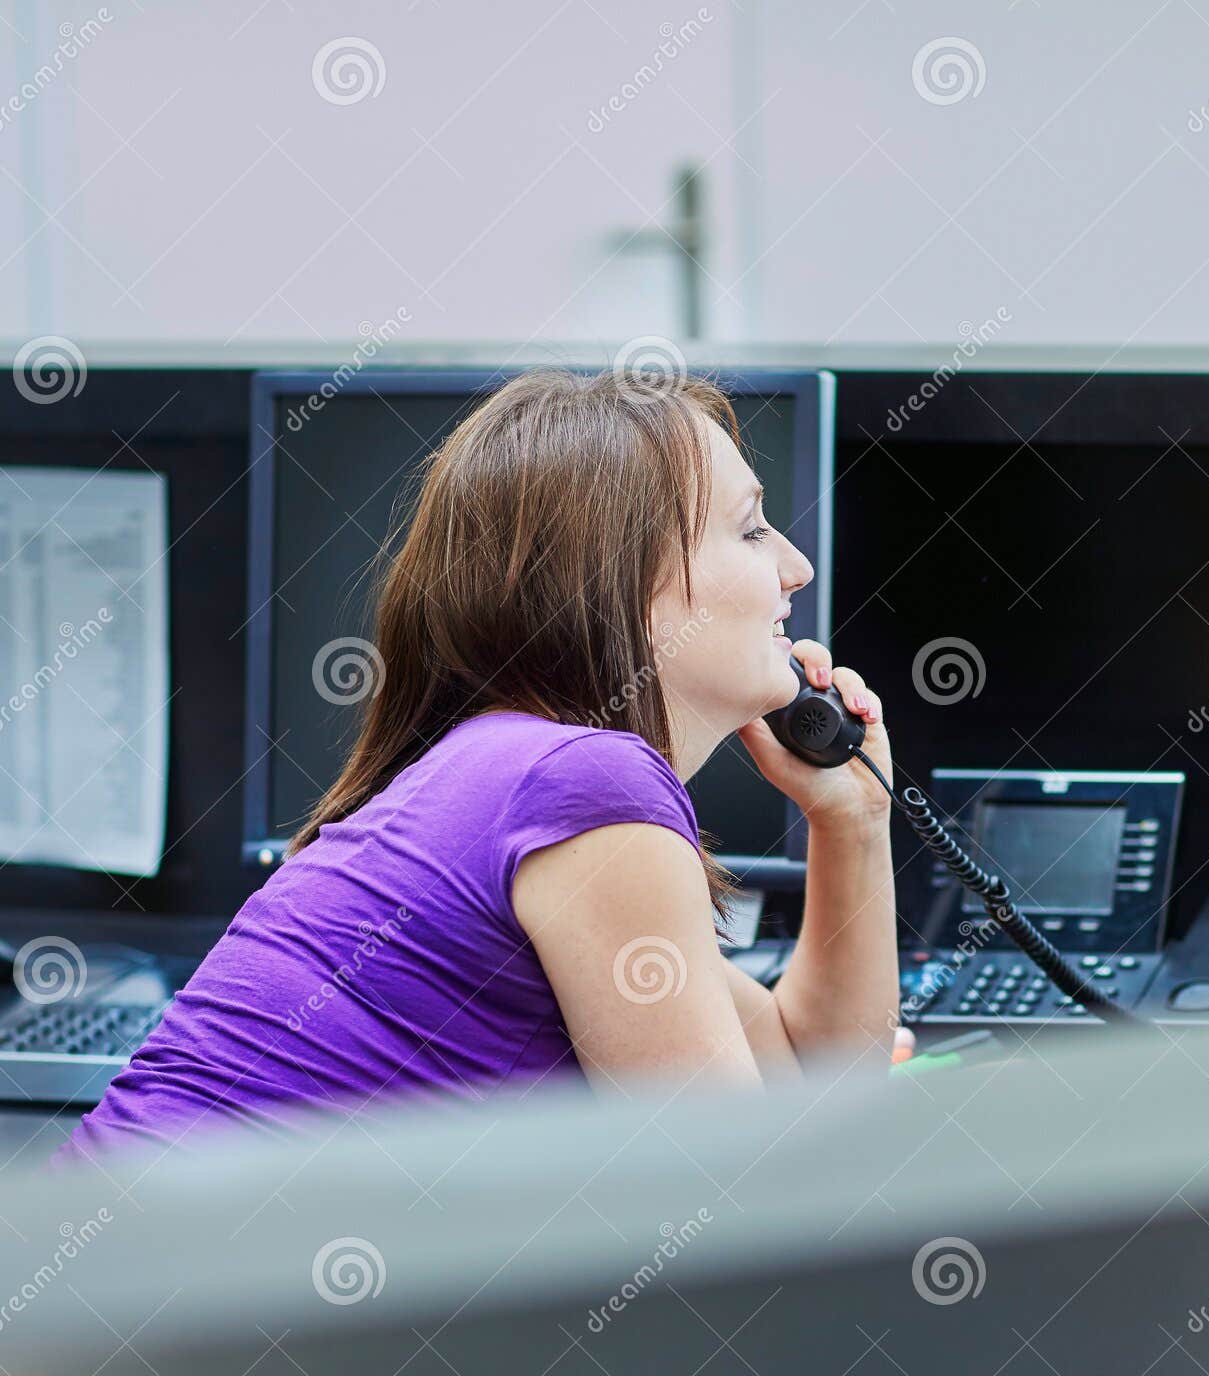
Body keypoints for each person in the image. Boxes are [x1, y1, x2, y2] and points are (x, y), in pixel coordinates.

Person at [57, 369, 898, 1163]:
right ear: (622, 577)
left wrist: (852, 822)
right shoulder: (584, 783)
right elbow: (743, 1200)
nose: (797, 566)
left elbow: (809, 1085)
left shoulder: (515, 773)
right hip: (160, 1304)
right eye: (751, 528)